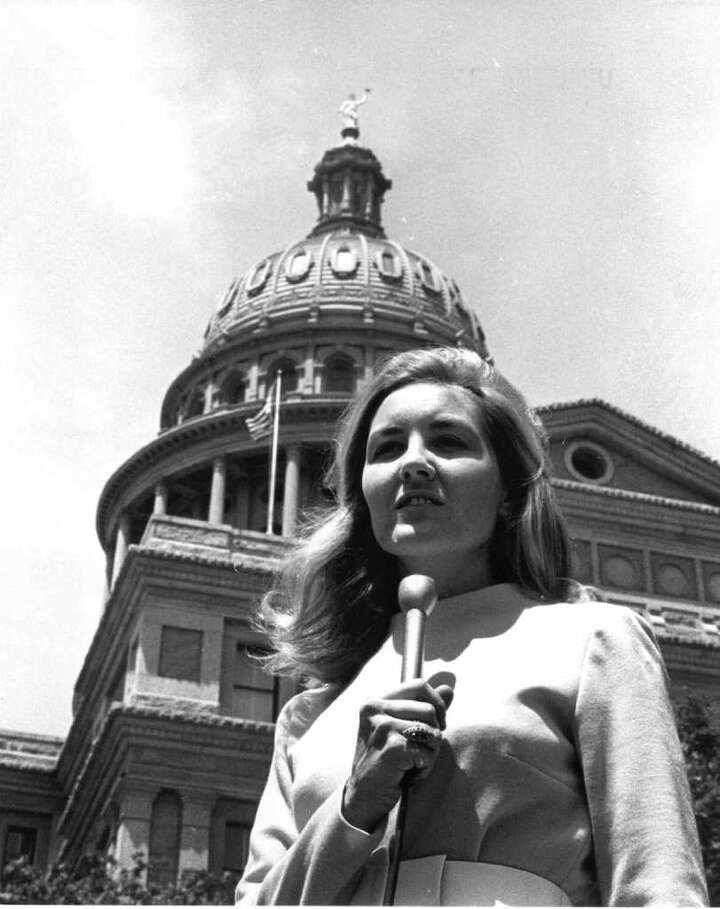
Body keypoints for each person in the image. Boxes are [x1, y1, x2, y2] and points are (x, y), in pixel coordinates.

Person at [236, 346, 708, 906]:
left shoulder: (593, 642)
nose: (414, 462)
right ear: (364, 494)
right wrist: (353, 804)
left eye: (449, 441)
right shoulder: (310, 717)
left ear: (508, 492)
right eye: (387, 448)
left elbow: (658, 884)